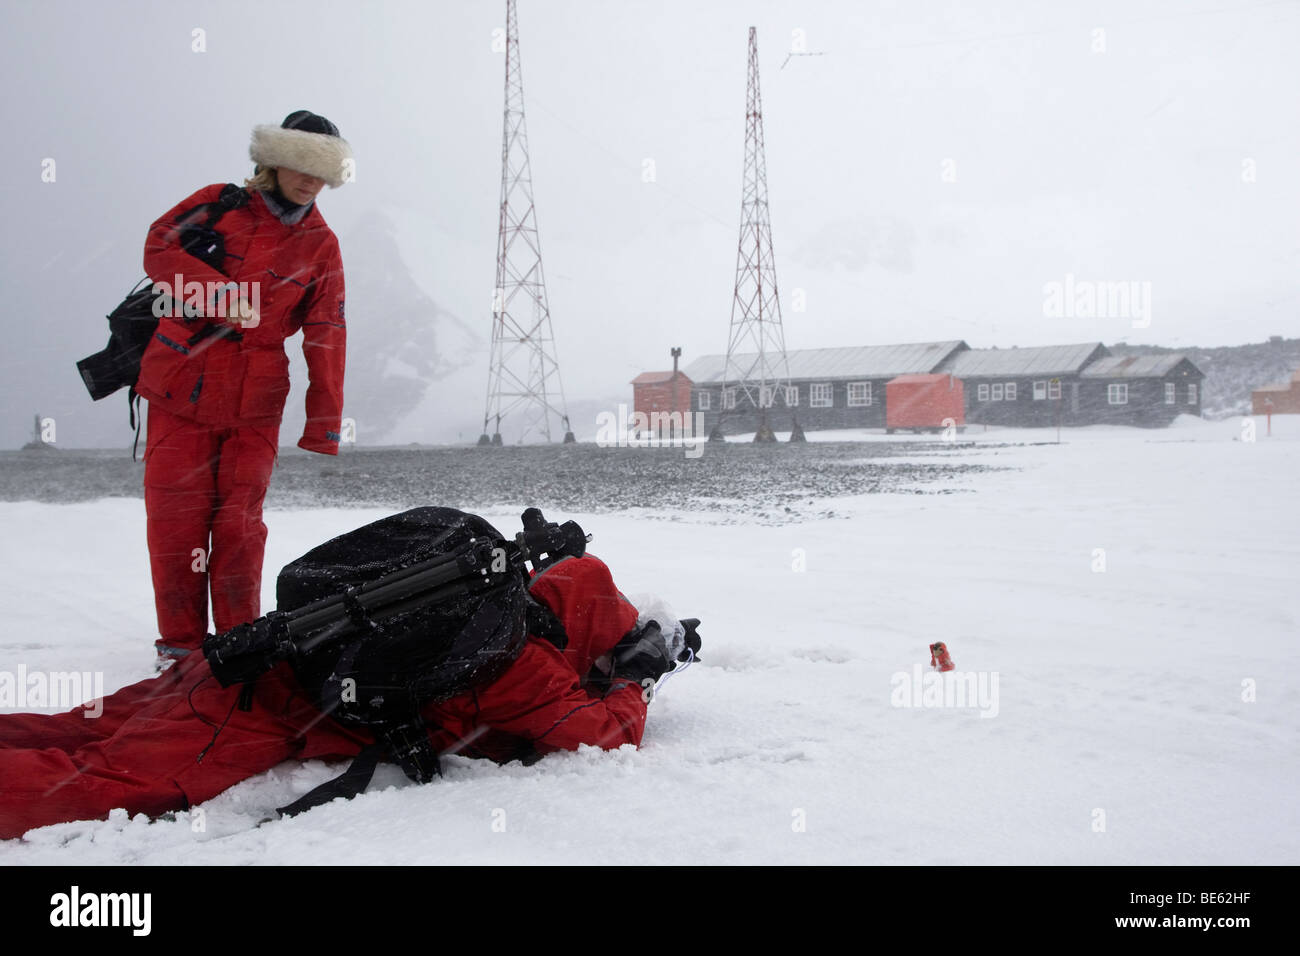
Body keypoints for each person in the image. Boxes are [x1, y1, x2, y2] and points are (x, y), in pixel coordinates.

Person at [0, 552, 692, 841]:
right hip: (251, 710)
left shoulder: (484, 588)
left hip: (243, 656)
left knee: (73, 727)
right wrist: (637, 678)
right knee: (105, 783)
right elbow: (606, 734)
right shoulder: (526, 665)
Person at [135, 110, 352, 667]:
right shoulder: (218, 203)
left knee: (239, 527)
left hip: (255, 404)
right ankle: (179, 648)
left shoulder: (322, 245)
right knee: (176, 521)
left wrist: (324, 421)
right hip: (180, 388)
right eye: (301, 165)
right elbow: (159, 248)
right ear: (273, 161)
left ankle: (238, 644)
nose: (309, 180)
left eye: (322, 170)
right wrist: (222, 299)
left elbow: (327, 331)